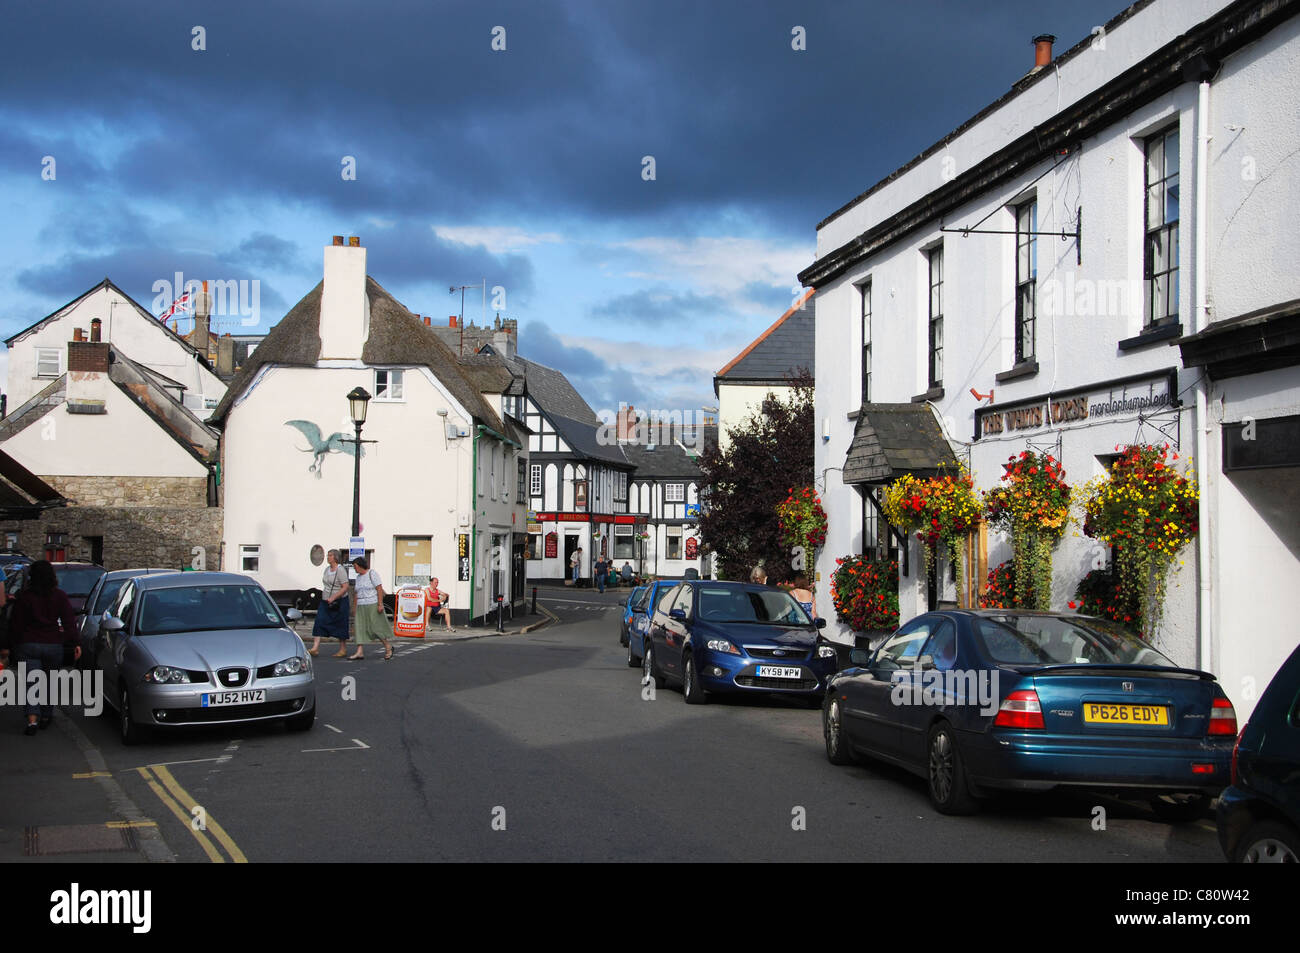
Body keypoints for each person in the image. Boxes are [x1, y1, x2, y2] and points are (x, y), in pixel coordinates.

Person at [9, 560, 80, 735]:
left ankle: (32, 719)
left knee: (32, 682)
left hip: (28, 644)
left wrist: (11, 645)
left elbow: (16, 624)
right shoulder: (60, 596)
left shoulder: (25, 597)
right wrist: (75, 643)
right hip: (53, 644)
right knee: (49, 682)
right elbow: (69, 622)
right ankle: (47, 714)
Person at [348, 556, 394, 661]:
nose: (354, 569)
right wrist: (354, 608)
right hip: (361, 604)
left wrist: (380, 604)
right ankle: (359, 651)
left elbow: (379, 588)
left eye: (355, 566)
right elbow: (356, 593)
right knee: (359, 628)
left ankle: (388, 647)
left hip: (372, 603)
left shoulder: (371, 573)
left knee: (376, 627)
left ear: (360, 565)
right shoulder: (358, 577)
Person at [308, 549, 350, 657]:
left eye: (330, 555)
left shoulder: (340, 570)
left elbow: (345, 587)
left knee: (340, 624)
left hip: (339, 601)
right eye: (328, 555)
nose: (328, 557)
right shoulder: (327, 569)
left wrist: (334, 597)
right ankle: (315, 648)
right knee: (319, 621)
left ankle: (342, 649)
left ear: (335, 557)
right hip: (325, 600)